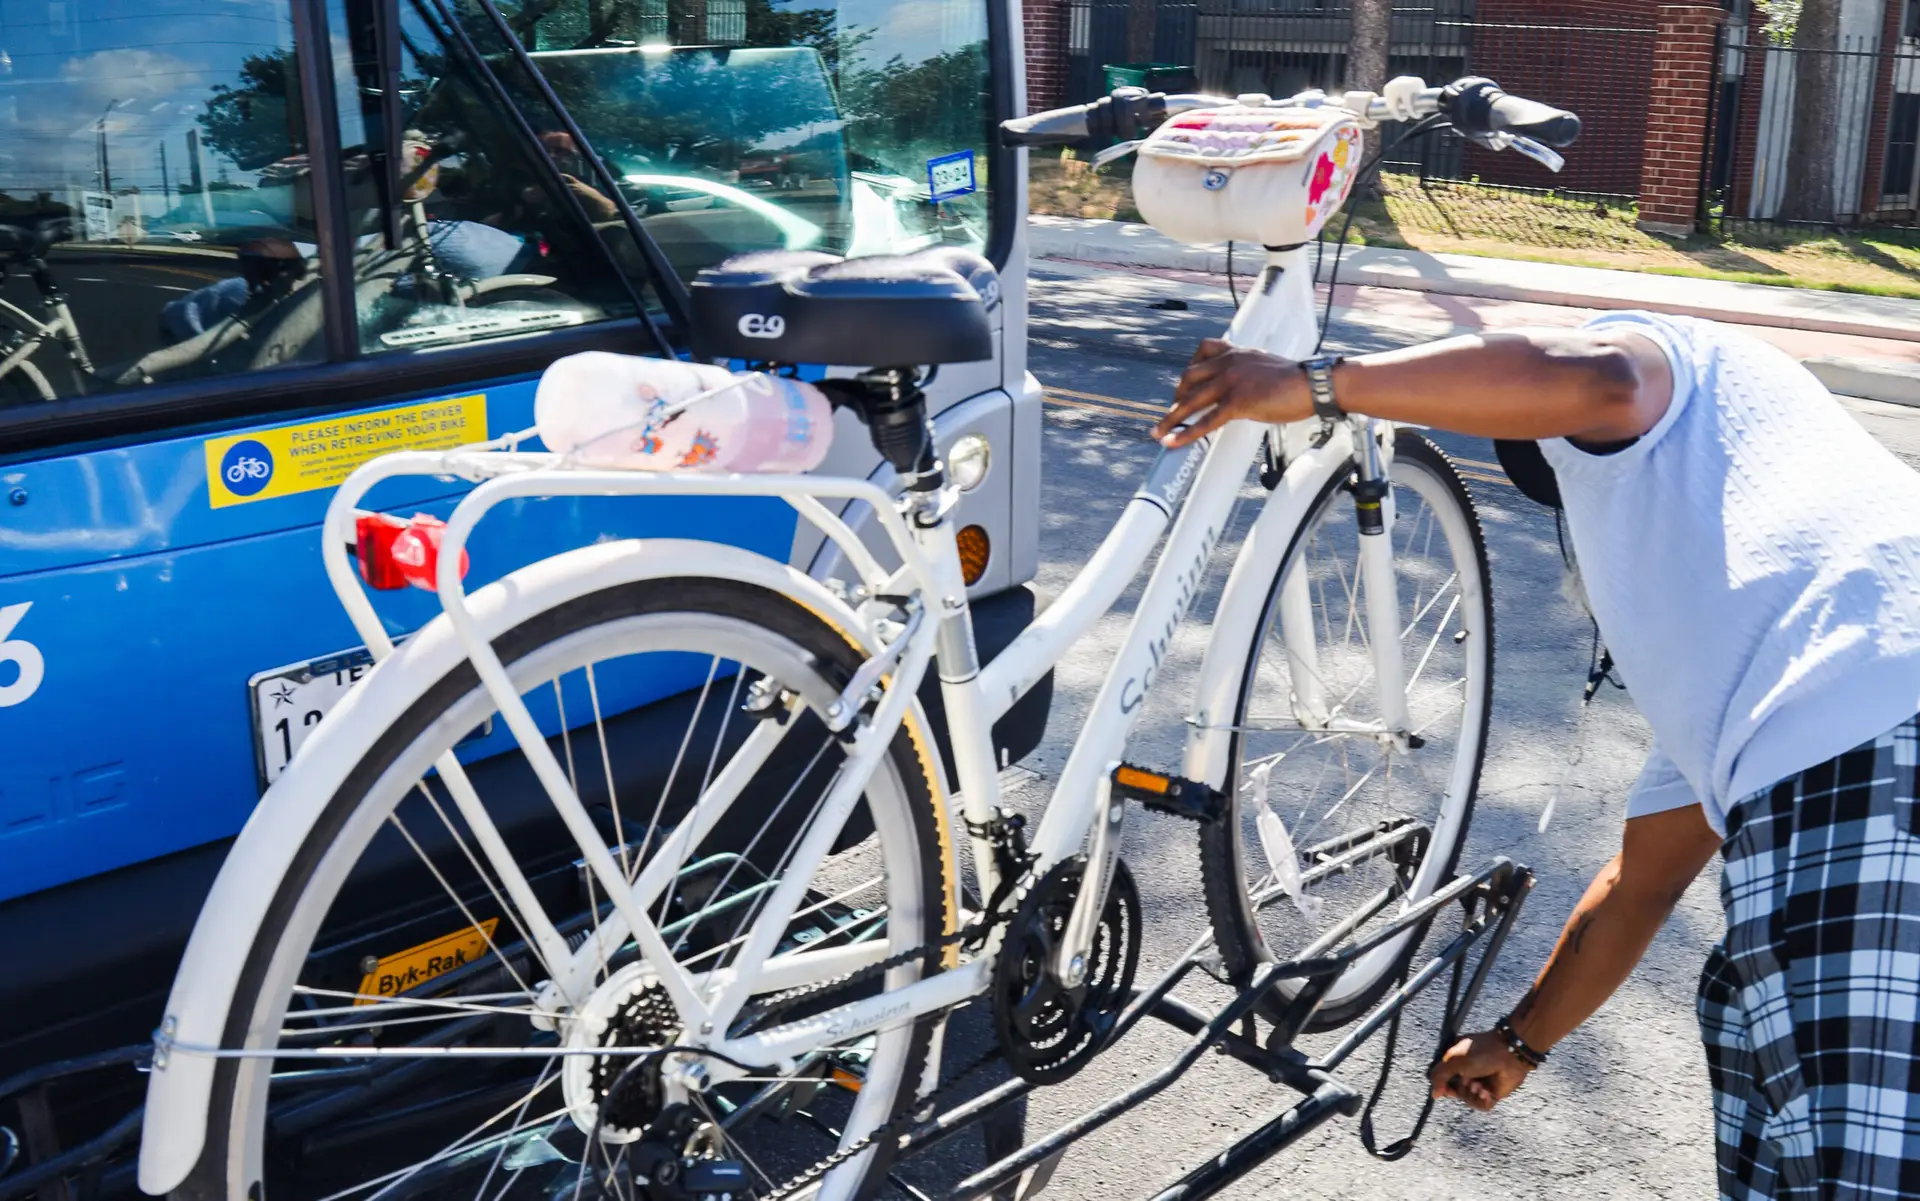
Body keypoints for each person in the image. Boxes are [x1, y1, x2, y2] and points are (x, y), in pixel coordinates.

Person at [1154, 313, 1920, 1199]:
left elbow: (1601, 380)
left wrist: (1324, 384)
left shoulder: (1673, 360)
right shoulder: (1767, 623)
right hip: (1847, 757)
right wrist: (1518, 1042)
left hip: (1872, 768)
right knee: (1759, 1054)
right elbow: (1639, 886)